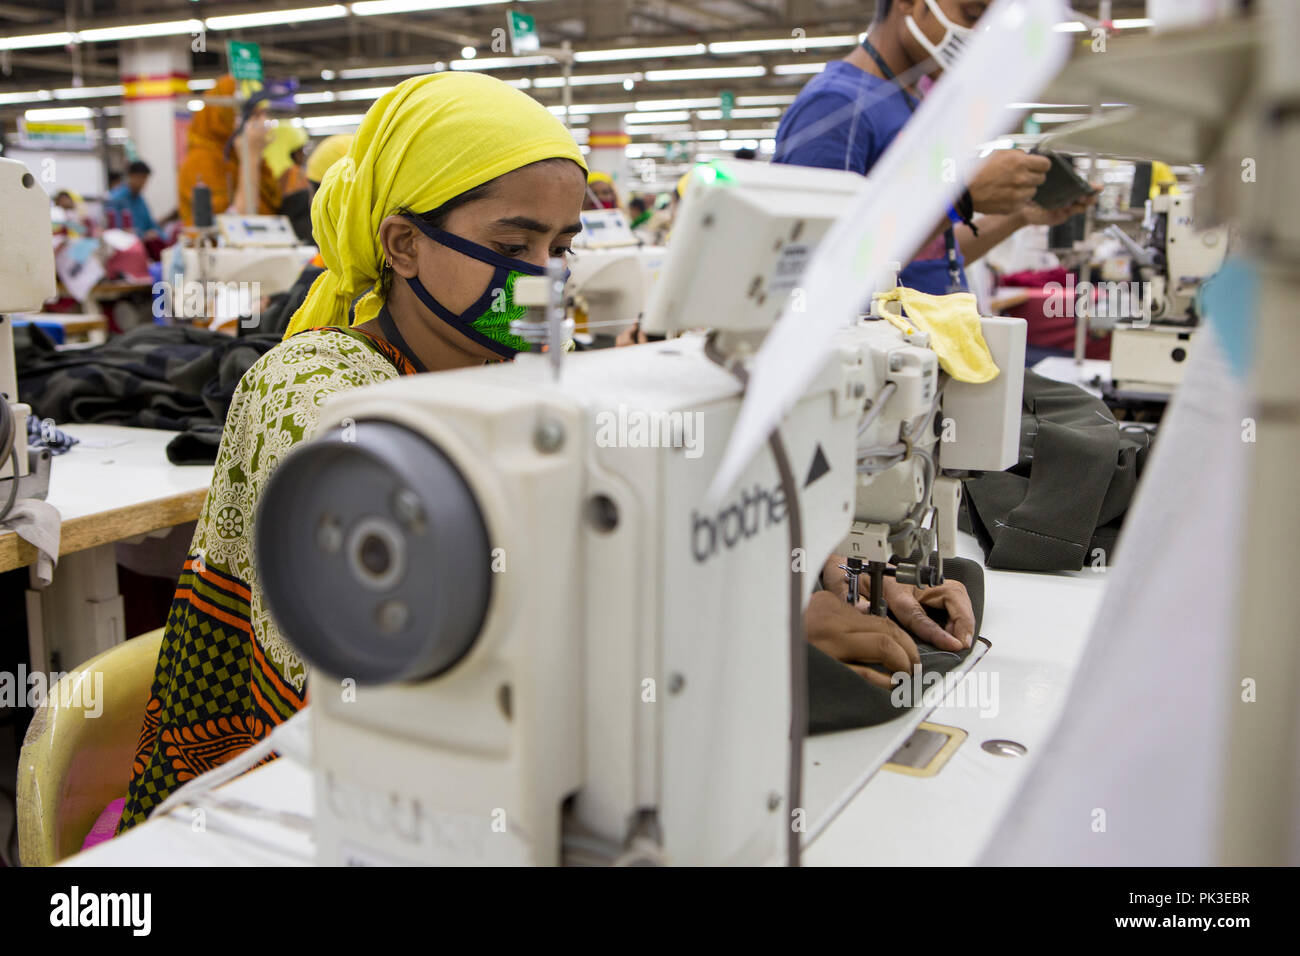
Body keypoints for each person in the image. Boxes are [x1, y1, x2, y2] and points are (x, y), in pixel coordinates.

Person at [117, 72, 587, 831]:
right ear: (403, 244)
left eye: (562, 247)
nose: (546, 277)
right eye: (515, 244)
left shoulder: (512, 371)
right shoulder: (315, 395)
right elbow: (382, 667)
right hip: (279, 795)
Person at [774, 0, 1095, 297]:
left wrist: (1017, 217)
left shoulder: (913, 107)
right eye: (971, 15)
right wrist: (959, 199)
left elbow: (929, 258)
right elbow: (815, 274)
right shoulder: (836, 106)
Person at [177, 76, 280, 225]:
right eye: (254, 115)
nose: (262, 123)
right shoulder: (201, 162)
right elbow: (236, 226)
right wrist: (250, 159)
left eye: (264, 113)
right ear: (225, 115)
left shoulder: (236, 156)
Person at [106, 160, 160, 239]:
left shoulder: (140, 200)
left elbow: (152, 226)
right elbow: (116, 230)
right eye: (140, 178)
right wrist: (142, 235)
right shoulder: (115, 199)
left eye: (145, 179)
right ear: (130, 176)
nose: (143, 182)